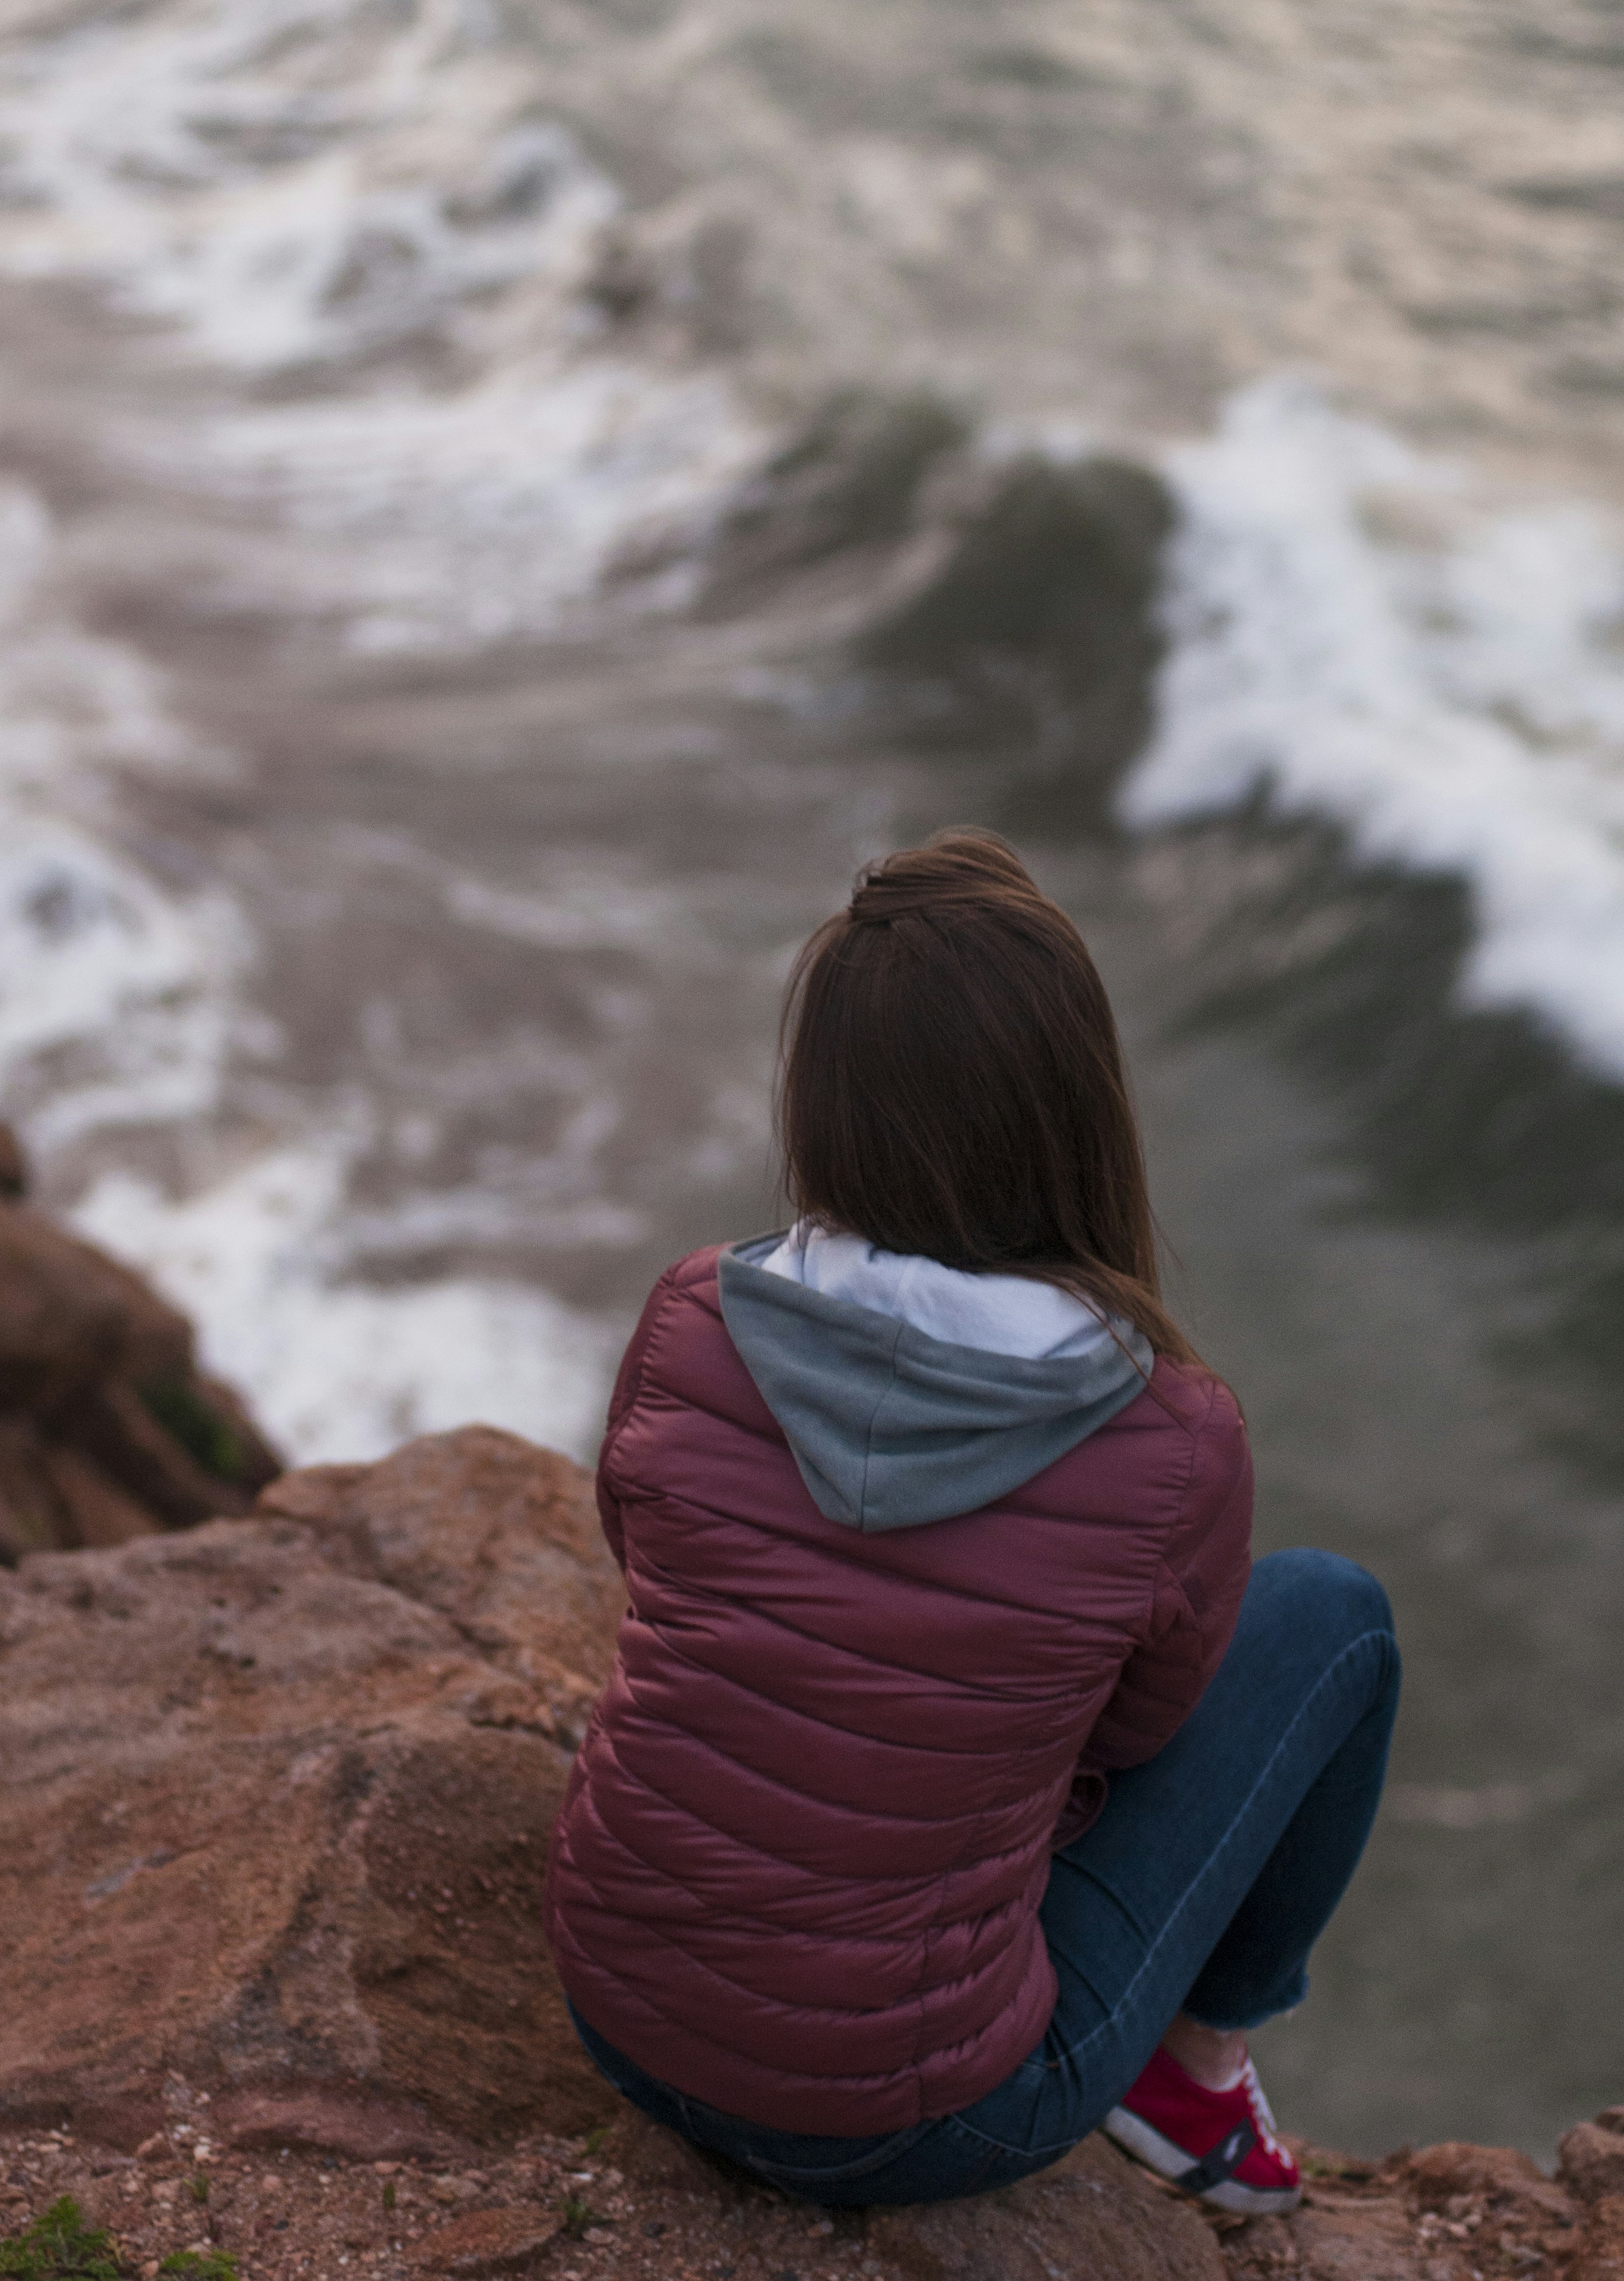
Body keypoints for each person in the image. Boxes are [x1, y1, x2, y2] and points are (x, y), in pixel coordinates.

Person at [544, 829, 1401, 2213]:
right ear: (1075, 1110)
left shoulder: (695, 1310)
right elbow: (1131, 1736)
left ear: (821, 1101)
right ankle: (1193, 2075)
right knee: (1333, 1616)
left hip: (618, 2006)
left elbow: (647, 1556)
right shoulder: (1171, 1435)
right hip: (904, 2118)